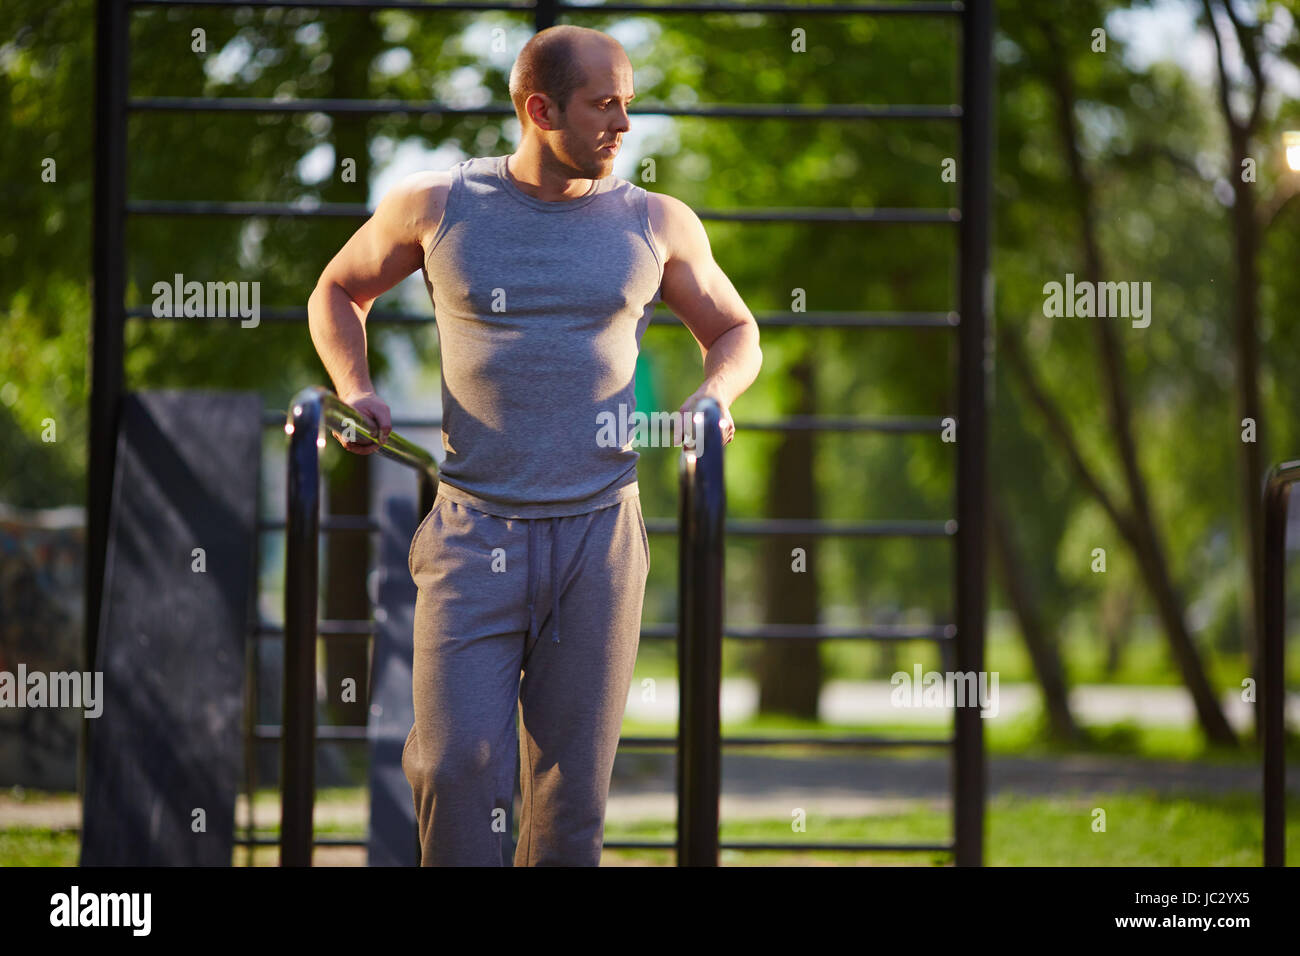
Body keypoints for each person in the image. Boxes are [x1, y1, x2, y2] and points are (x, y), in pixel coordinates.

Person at [306, 23, 762, 866]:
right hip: (474, 529)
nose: (626, 124)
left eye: (630, 102)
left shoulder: (656, 222)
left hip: (599, 536)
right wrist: (355, 386)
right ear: (538, 107)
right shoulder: (439, 206)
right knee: (454, 765)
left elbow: (736, 329)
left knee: (570, 804)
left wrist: (711, 395)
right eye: (606, 104)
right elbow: (338, 288)